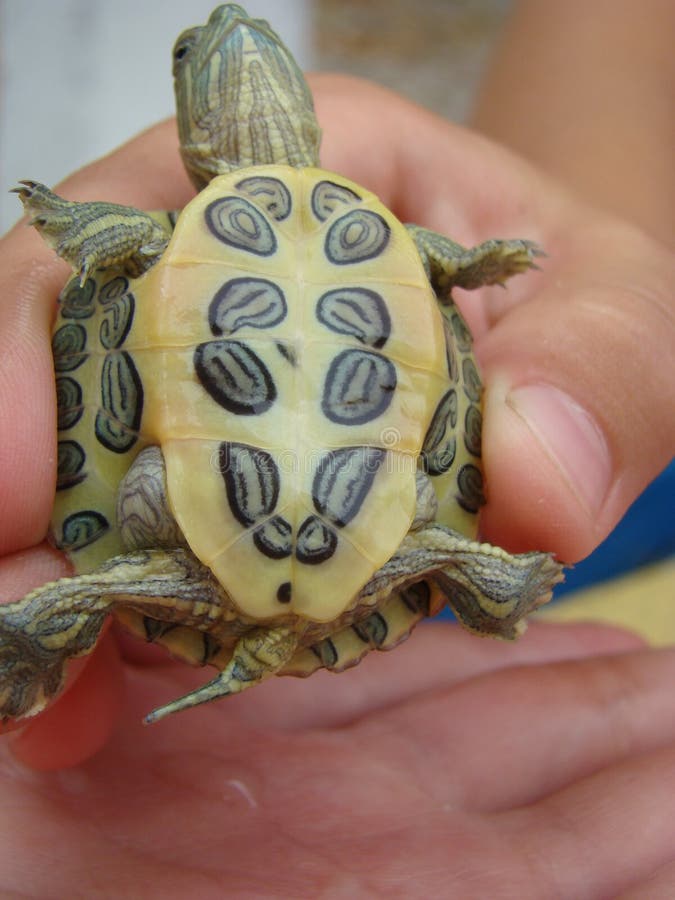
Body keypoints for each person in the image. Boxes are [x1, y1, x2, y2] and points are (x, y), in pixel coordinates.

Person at [0, 3, 674, 895]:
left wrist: (73, 225)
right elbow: (432, 267)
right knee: (409, 516)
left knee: (129, 527)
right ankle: (471, 577)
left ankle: (55, 625)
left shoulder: (163, 239)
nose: (235, 29)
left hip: (190, 544)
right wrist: (471, 265)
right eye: (196, 48)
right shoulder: (224, 235)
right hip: (368, 550)